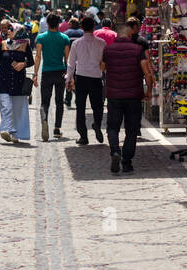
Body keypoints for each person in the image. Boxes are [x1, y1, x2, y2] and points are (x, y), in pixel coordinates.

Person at [101, 22, 154, 174]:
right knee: (131, 130)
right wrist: (149, 91)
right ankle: (127, 161)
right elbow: (147, 73)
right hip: (133, 95)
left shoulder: (108, 49)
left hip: (114, 95)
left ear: (117, 35)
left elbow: (102, 68)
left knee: (112, 127)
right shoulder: (138, 49)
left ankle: (115, 151)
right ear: (130, 35)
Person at [0, 23, 33, 143]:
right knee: (6, 107)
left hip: (18, 83)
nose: (8, 31)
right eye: (8, 29)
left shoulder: (25, 45)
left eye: (11, 29)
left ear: (17, 31)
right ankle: (5, 129)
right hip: (3, 82)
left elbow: (31, 61)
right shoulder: (3, 44)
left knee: (17, 110)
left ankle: (15, 133)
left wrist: (23, 64)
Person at [66, 15, 105, 145]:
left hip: (81, 77)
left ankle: (83, 136)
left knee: (80, 107)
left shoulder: (76, 43)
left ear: (82, 28)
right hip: (96, 77)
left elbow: (71, 64)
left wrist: (68, 79)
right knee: (98, 106)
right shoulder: (101, 43)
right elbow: (105, 62)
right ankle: (97, 125)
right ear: (94, 27)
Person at [33, 12, 71, 141]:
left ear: (47, 23)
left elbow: (38, 57)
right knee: (59, 101)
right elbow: (68, 59)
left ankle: (44, 120)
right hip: (60, 72)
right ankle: (57, 128)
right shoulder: (64, 38)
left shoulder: (41, 38)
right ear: (59, 23)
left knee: (45, 102)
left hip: (46, 72)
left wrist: (35, 74)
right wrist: (70, 76)